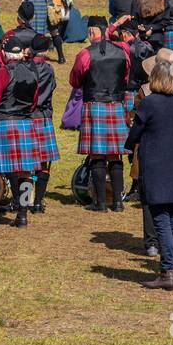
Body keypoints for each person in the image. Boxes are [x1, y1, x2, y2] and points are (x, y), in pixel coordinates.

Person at [125, 58, 173, 289]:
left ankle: (167, 272)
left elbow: (135, 133)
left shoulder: (149, 103)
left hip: (155, 167)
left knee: (162, 221)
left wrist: (131, 140)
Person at [70, 17, 132, 212]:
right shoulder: (123, 51)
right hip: (116, 104)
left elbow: (75, 80)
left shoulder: (85, 54)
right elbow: (125, 76)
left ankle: (100, 202)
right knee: (116, 156)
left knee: (97, 155)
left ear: (91, 32)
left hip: (95, 104)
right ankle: (118, 202)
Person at [0, 33, 41, 228]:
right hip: (25, 124)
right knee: (25, 172)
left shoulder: (3, 73)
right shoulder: (32, 73)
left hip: (4, 123)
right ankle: (22, 215)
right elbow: (34, 102)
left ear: (5, 54)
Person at [25, 34, 59, 214]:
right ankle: (38, 203)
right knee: (44, 163)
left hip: (27, 117)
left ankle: (24, 202)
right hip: (44, 117)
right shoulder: (49, 69)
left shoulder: (24, 67)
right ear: (45, 50)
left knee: (26, 165)